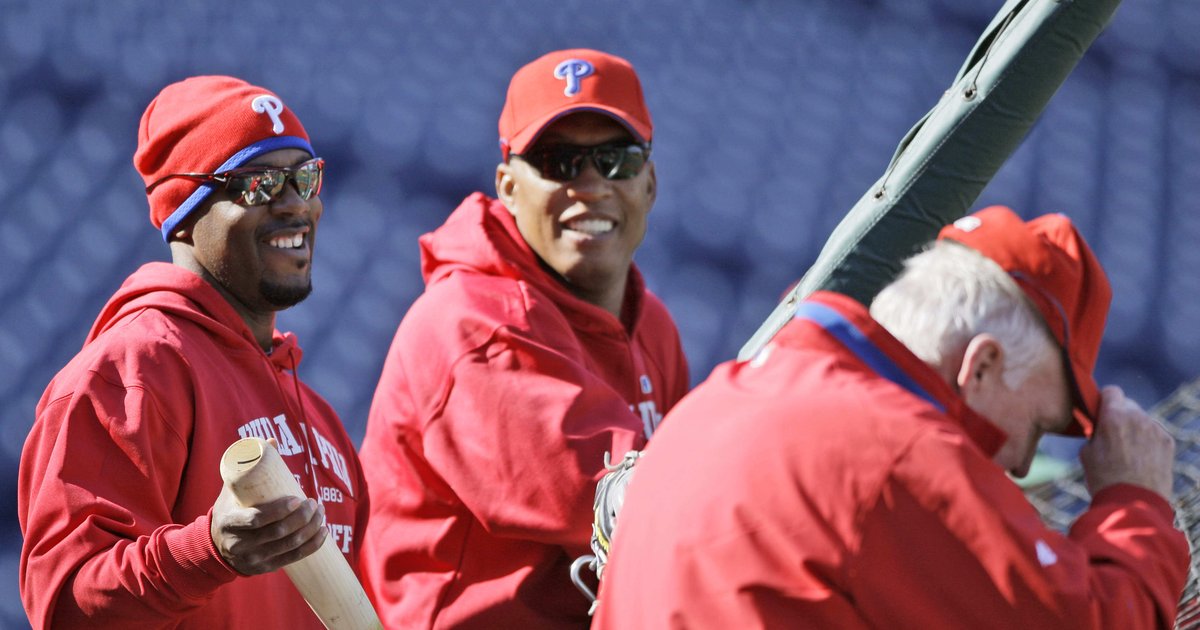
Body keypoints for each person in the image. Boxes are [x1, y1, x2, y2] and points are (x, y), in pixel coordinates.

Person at [593, 205, 1190, 628]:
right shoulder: (898, 454)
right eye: (1036, 427)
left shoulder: (730, 391)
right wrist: (1134, 502)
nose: (1022, 464)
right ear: (980, 366)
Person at [18, 76, 370, 628]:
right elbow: (64, 606)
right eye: (258, 185)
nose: (296, 205)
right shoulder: (132, 371)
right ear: (185, 210)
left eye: (304, 178)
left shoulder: (320, 419)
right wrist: (207, 551)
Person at [357, 48, 690, 627]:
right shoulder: (470, 326)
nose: (589, 186)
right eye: (559, 161)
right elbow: (631, 511)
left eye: (615, 159)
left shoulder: (652, 322)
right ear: (509, 187)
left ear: (650, 183)